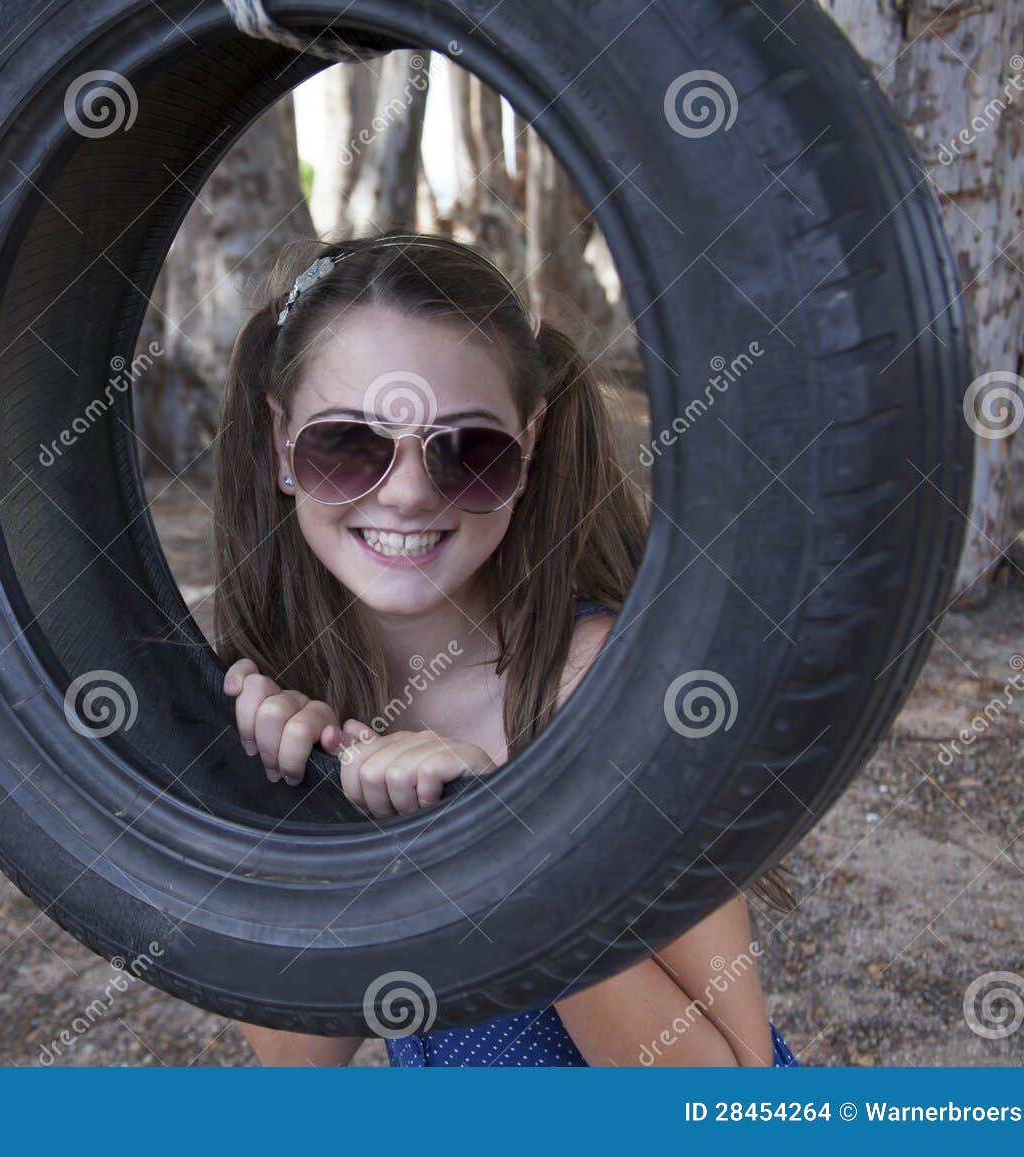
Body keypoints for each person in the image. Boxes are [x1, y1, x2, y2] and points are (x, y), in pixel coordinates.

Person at [210, 231, 799, 1068]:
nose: (408, 493)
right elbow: (303, 1058)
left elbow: (729, 1093)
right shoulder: (308, 692)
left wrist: (498, 841)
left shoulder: (611, 692)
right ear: (281, 446)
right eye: (348, 444)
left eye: (468, 450)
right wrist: (308, 806)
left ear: (528, 446)